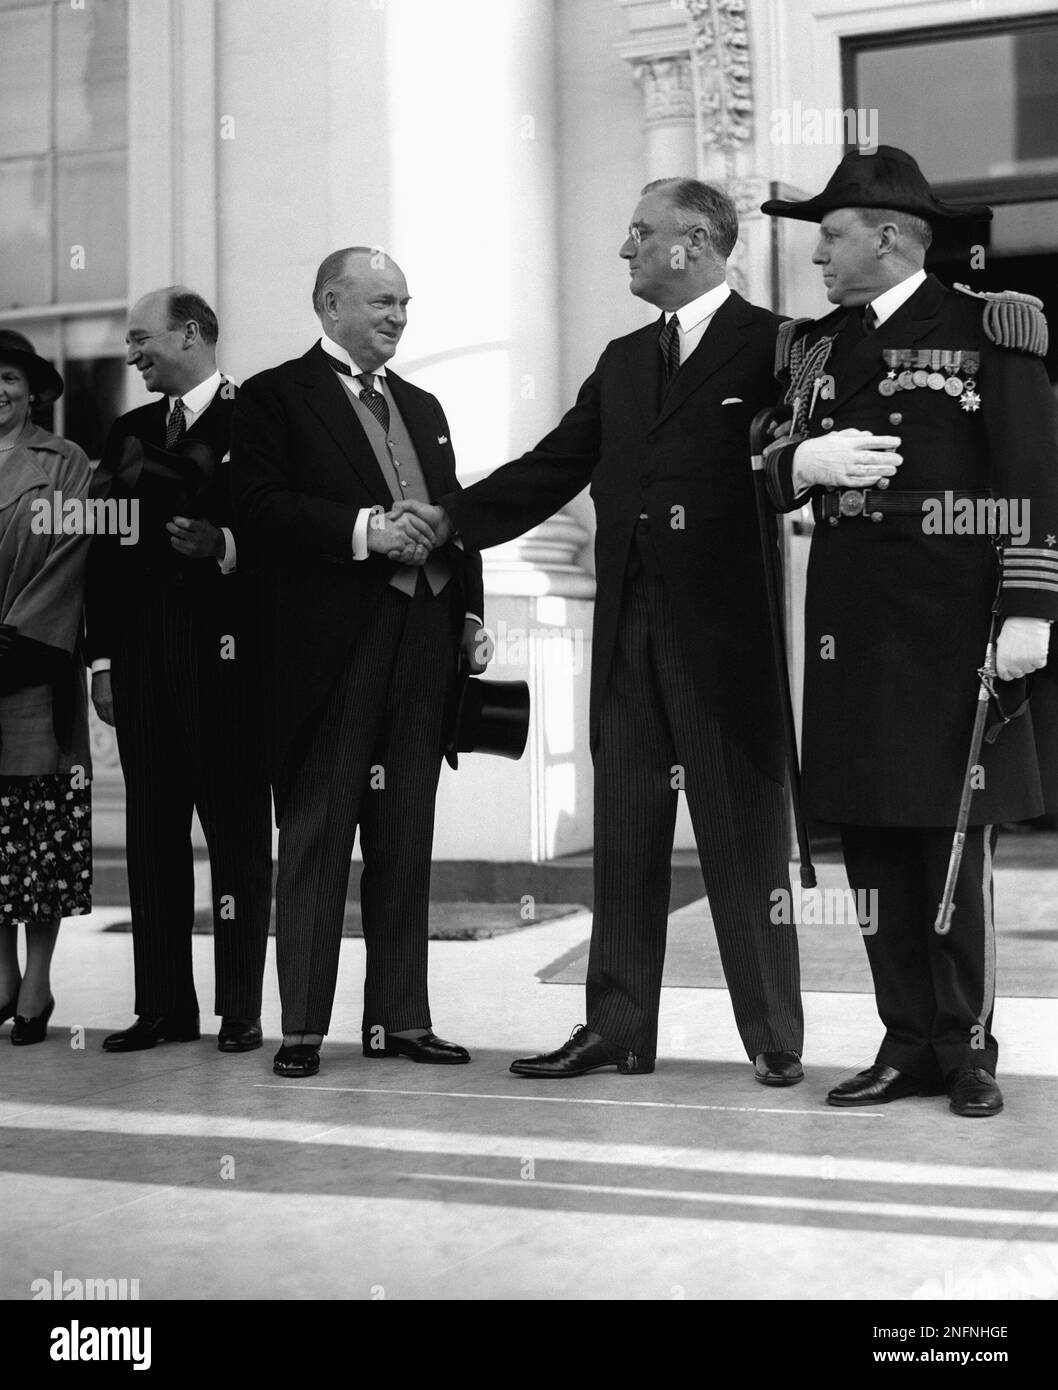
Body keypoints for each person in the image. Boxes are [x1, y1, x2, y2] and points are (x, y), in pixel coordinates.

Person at [395, 180, 805, 1086]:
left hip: (726, 645)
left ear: (693, 242)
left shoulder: (777, 345)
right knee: (625, 837)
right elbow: (553, 467)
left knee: (742, 839)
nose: (623, 250)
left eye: (638, 233)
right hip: (627, 634)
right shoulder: (622, 360)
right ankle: (616, 1027)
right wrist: (448, 520)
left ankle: (774, 1035)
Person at [760, 146, 1058, 1117]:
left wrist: (1028, 606)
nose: (817, 257)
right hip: (848, 635)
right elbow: (755, 460)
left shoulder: (988, 327)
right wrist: (803, 457)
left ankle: (965, 1043)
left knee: (947, 841)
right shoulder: (812, 348)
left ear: (886, 238)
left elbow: (1030, 479)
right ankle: (903, 1042)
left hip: (950, 633)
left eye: (831, 236)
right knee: (873, 845)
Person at [230, 247, 485, 1079]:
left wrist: (471, 615)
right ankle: (301, 1027)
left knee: (406, 835)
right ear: (330, 303)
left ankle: (403, 1020)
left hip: (426, 640)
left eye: (406, 304)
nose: (399, 318)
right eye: (382, 303)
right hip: (331, 647)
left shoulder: (424, 404)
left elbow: (456, 516)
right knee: (318, 836)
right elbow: (258, 509)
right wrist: (366, 530)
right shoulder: (273, 397)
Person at [87, 288, 273, 1055]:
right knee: (152, 836)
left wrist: (225, 545)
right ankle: (162, 1006)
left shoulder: (259, 418)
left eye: (141, 340)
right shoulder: (127, 431)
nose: (130, 356)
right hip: (141, 665)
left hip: (229, 666)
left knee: (234, 837)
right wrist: (102, 659)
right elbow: (102, 542)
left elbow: (287, 529)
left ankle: (240, 1009)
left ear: (190, 335)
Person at [0, 331, 93, 1045]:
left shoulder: (66, 466)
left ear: (31, 389)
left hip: (31, 664)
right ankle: (0, 977)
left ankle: (37, 980)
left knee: (38, 828)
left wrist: (17, 637)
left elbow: (73, 559)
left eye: (8, 378)